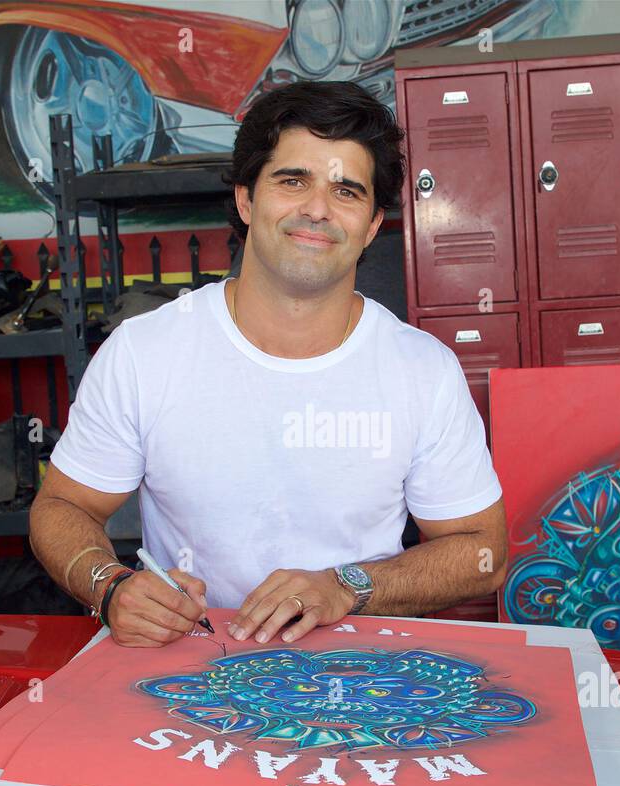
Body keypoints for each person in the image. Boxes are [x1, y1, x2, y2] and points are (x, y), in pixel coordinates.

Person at [29, 80, 507, 648]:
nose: (317, 209)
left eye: (347, 191)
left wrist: (345, 586)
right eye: (292, 180)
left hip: (364, 680)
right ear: (246, 199)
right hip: (187, 671)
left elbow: (484, 552)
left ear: (373, 225)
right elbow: (61, 505)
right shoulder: (144, 352)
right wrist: (108, 585)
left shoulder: (422, 369)